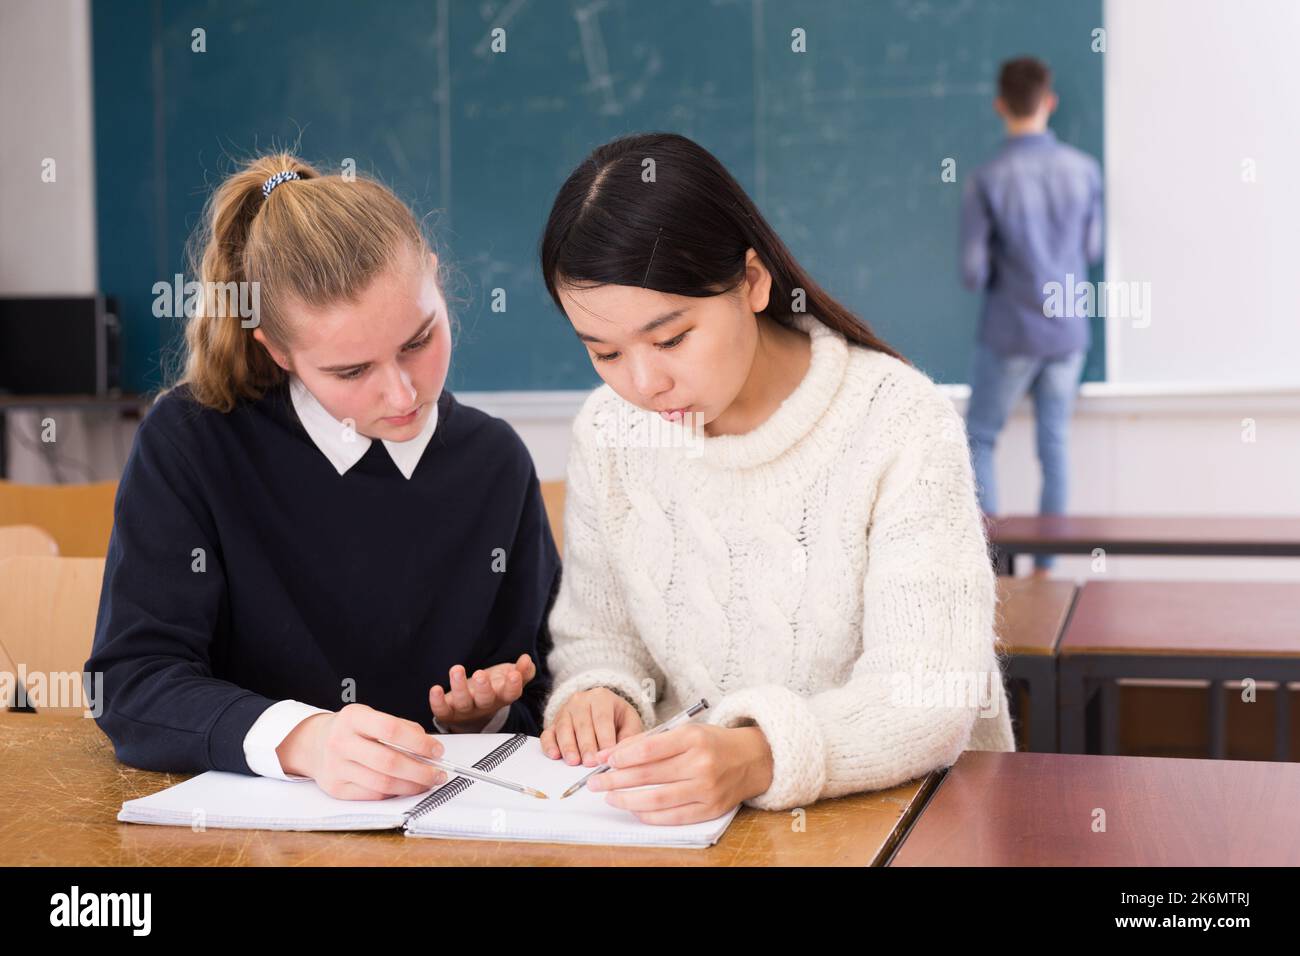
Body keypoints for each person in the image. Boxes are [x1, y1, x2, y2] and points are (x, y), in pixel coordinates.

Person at [536, 132, 1015, 825]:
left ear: (752, 282)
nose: (643, 382)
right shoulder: (611, 430)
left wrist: (759, 755)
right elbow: (599, 640)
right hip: (700, 828)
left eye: (670, 339)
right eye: (604, 352)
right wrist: (599, 694)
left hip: (908, 821)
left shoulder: (900, 420)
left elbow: (930, 694)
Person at [86, 153, 560, 800]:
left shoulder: (494, 461)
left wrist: (486, 718)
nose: (400, 393)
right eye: (350, 371)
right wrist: (304, 740)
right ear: (278, 351)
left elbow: (548, 688)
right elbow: (132, 683)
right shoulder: (192, 441)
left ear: (438, 283)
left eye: (419, 341)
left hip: (449, 832)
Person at [960, 56, 1104, 576]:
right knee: (1054, 443)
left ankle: (997, 569)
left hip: (1010, 332)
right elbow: (1092, 248)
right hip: (1067, 332)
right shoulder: (1085, 171)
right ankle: (1048, 569)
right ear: (1050, 102)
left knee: (979, 437)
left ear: (1000, 106)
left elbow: (973, 272)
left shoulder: (985, 180)